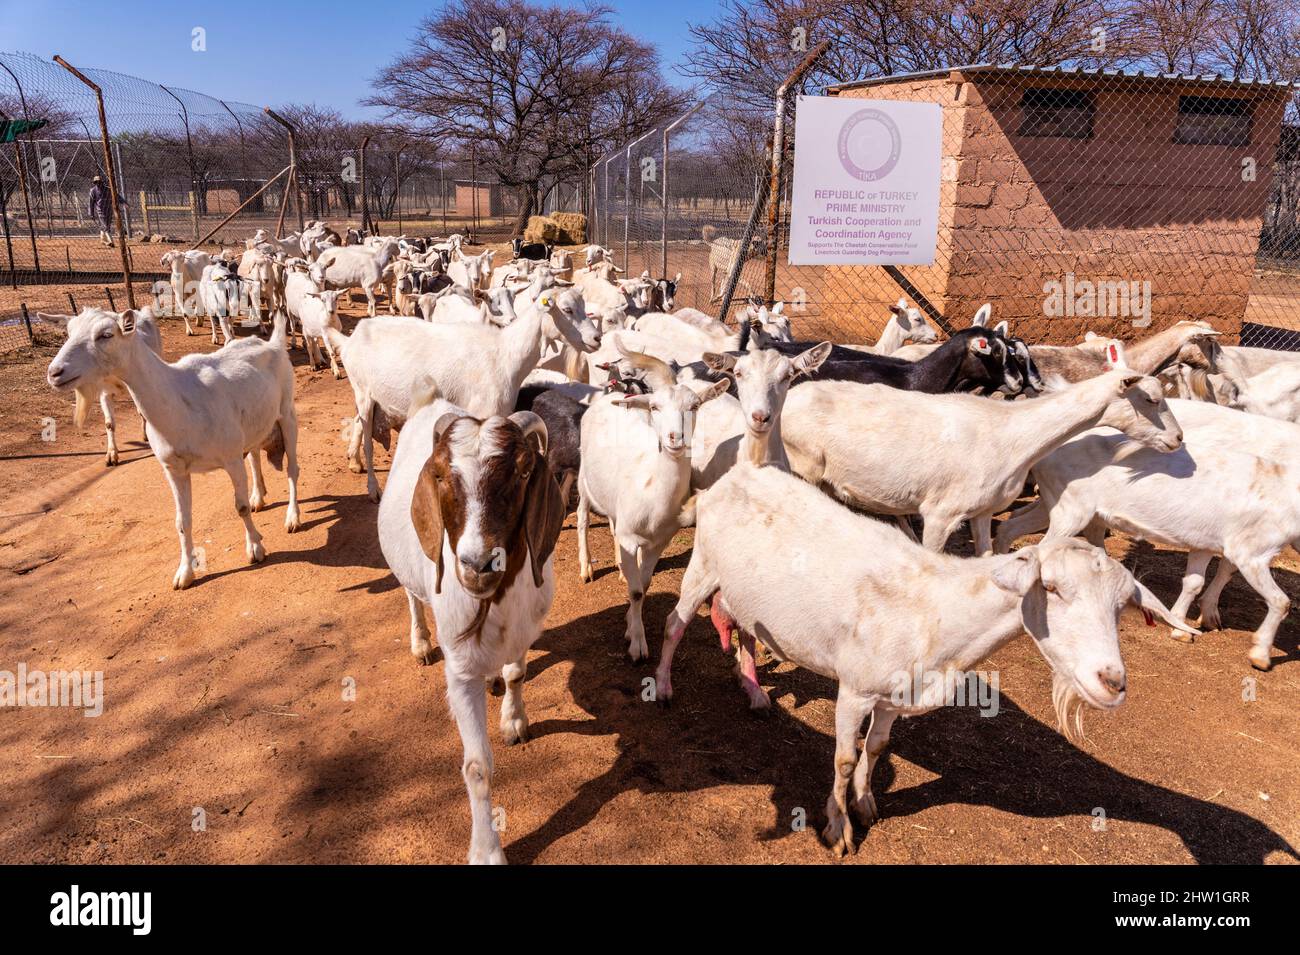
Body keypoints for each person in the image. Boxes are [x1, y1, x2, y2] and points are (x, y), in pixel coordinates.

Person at [89, 175, 115, 247]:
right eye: (96, 182)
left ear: (102, 182)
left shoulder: (108, 189)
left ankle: (102, 240)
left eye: (99, 182)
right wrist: (91, 213)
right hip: (100, 211)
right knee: (105, 226)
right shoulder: (93, 191)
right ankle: (111, 241)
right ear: (94, 183)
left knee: (107, 225)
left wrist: (124, 202)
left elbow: (117, 196)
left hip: (109, 210)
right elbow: (91, 203)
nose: (98, 184)